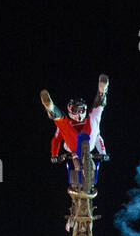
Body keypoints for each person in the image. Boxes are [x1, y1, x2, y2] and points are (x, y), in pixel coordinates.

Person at [41, 75, 109, 224]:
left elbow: (98, 137)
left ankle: (101, 94)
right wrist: (54, 154)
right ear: (70, 109)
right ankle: (52, 110)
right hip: (73, 147)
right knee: (64, 124)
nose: (79, 113)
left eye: (81, 109)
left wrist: (103, 154)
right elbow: (56, 139)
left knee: (95, 118)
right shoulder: (68, 122)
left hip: (87, 141)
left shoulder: (87, 119)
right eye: (76, 110)